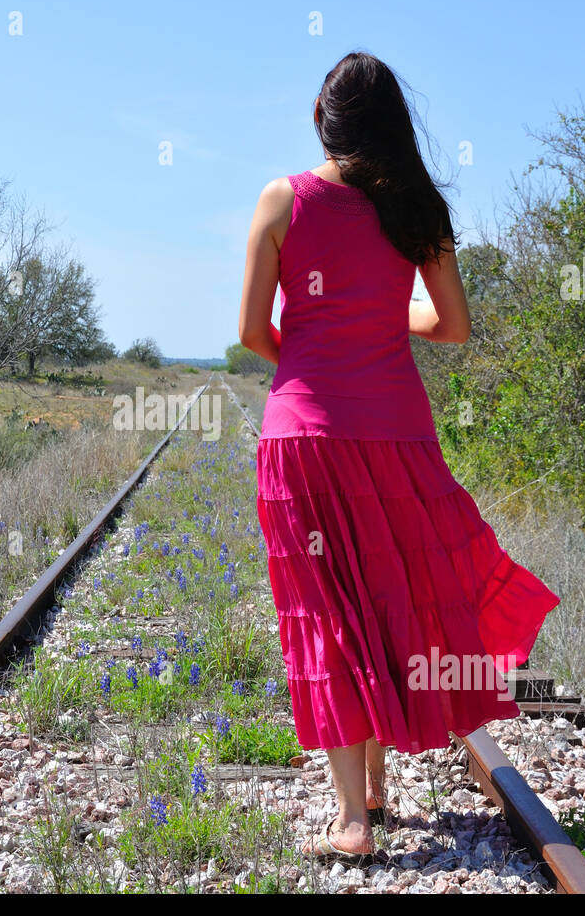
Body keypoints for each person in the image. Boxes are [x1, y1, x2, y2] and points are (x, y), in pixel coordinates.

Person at [238, 50, 561, 864]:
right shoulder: (420, 209)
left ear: (322, 119)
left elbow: (250, 333)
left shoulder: (283, 199)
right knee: (388, 597)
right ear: (394, 125)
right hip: (397, 436)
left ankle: (353, 816)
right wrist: (388, 319)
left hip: (302, 440)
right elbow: (451, 327)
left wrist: (314, 366)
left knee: (325, 611)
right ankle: (373, 788)